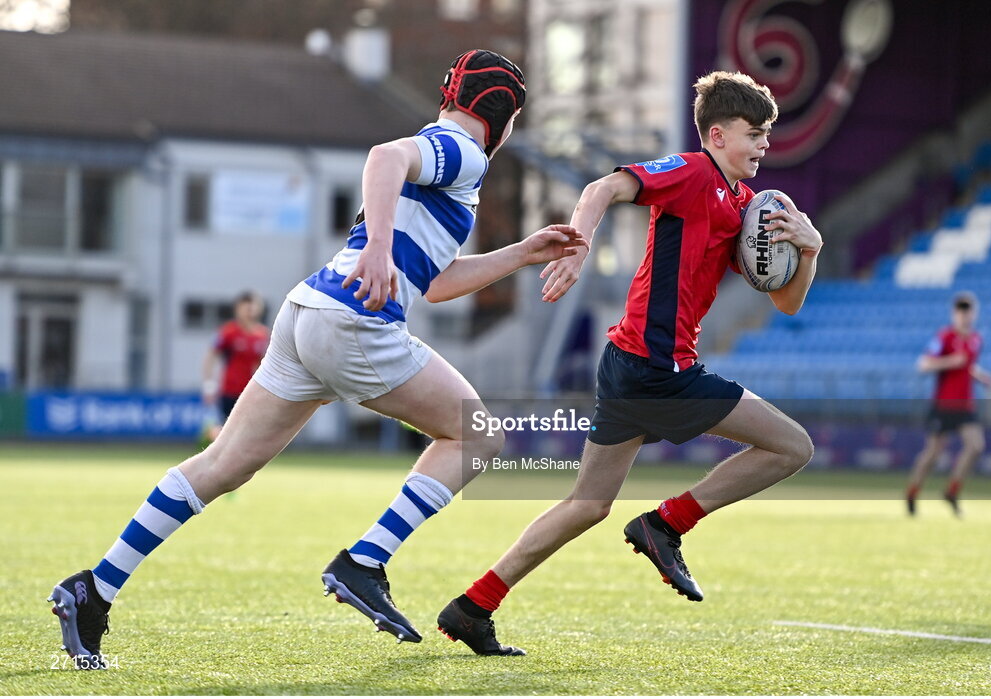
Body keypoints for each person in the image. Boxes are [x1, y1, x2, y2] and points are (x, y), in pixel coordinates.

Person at [47, 49, 586, 667]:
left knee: (223, 463)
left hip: (309, 312)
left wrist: (520, 254)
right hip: (355, 324)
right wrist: (380, 247)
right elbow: (384, 157)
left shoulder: (448, 159)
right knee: (479, 435)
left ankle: (96, 588)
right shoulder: (461, 148)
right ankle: (365, 561)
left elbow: (432, 282)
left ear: (450, 95)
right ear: (506, 117)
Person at [435, 71, 823, 656]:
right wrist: (581, 245)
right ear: (716, 135)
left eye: (768, 134)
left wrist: (809, 249)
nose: (765, 144)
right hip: (655, 369)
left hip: (633, 363)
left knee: (587, 505)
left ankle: (473, 605)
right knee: (792, 447)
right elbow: (601, 188)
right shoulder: (693, 173)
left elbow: (787, 301)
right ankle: (667, 524)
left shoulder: (741, 205)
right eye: (755, 132)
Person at [905, 291, 991, 517]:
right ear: (954, 313)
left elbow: (967, 366)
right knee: (933, 453)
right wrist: (950, 361)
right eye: (960, 310)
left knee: (975, 445)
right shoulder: (944, 337)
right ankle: (913, 491)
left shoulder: (975, 340)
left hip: (965, 405)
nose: (964, 315)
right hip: (943, 405)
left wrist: (979, 376)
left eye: (968, 310)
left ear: (974, 313)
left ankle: (952, 491)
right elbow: (923, 364)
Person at [199, 291, 269, 444]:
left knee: (248, 434)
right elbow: (211, 356)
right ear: (238, 309)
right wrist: (208, 384)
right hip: (229, 390)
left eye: (252, 308)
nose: (249, 311)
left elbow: (264, 364)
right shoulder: (228, 332)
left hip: (250, 392)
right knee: (225, 433)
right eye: (246, 308)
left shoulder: (263, 335)